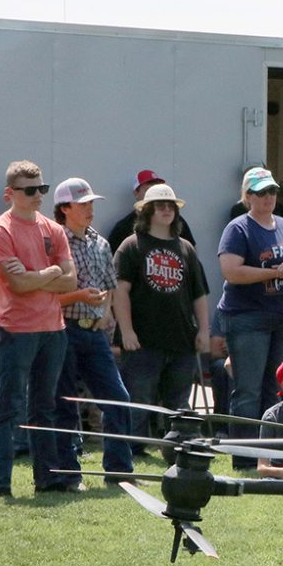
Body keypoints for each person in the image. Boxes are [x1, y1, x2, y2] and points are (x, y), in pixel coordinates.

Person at [0, 161, 77, 496]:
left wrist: (35, 275)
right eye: (30, 190)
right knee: (7, 407)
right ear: (10, 193)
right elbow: (18, 285)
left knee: (44, 406)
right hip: (15, 330)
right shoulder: (0, 231)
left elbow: (70, 279)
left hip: (53, 330)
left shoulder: (52, 229)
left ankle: (47, 479)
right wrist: (50, 273)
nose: (39, 195)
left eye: (42, 188)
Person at [218, 168, 283, 469]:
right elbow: (231, 271)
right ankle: (245, 459)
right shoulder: (238, 228)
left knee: (277, 388)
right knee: (248, 389)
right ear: (247, 197)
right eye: (260, 192)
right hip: (247, 317)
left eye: (272, 191)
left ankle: (269, 457)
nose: (268, 197)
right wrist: (274, 272)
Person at [113, 183, 210, 450]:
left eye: (171, 206)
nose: (167, 210)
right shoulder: (131, 246)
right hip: (143, 342)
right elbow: (120, 291)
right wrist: (127, 330)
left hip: (182, 341)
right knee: (138, 401)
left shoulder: (187, 248)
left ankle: (178, 450)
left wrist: (203, 330)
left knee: (178, 405)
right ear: (147, 211)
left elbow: (199, 294)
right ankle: (134, 451)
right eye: (160, 205)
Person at [52, 178, 134, 485]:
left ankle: (119, 472)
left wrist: (103, 316)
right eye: (83, 203)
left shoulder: (100, 243)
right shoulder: (53, 242)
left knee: (118, 397)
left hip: (94, 332)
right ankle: (69, 473)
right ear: (65, 208)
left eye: (91, 203)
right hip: (62, 329)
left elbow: (110, 285)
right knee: (64, 402)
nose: (90, 209)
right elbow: (47, 293)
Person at [107, 169, 196, 251]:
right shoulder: (123, 228)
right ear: (136, 193)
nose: (155, 194)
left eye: (157, 188)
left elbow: (192, 254)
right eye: (149, 189)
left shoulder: (177, 221)